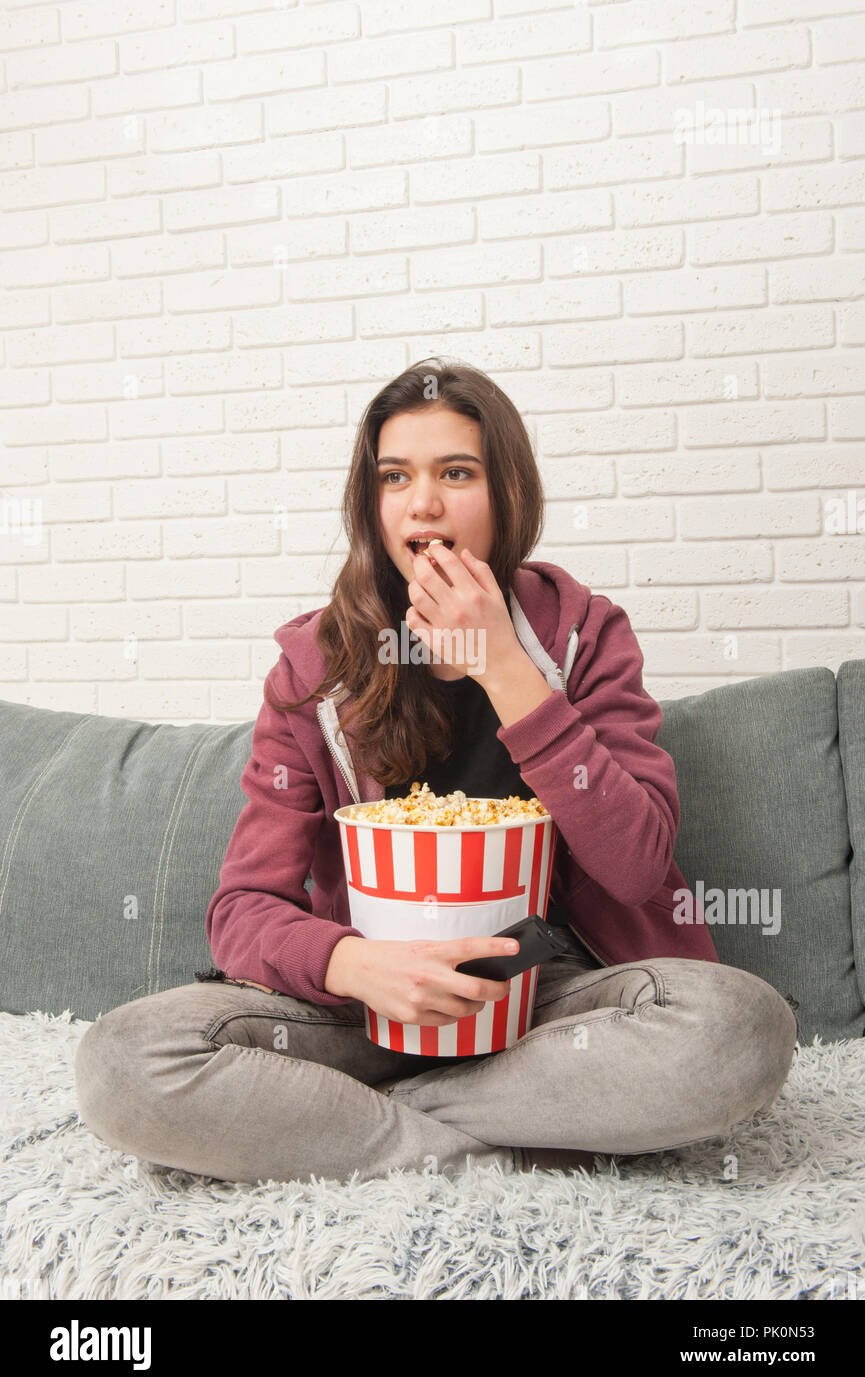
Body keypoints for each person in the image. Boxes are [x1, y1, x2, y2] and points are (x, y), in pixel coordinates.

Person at [74, 357, 798, 1185]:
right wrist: (355, 966)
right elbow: (242, 909)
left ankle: (357, 1133)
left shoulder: (584, 638)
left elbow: (636, 867)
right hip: (363, 1009)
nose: (422, 503)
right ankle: (489, 1142)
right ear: (371, 504)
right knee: (123, 1059)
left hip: (545, 1012)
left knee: (737, 1024)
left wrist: (507, 670)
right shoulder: (315, 667)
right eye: (395, 478)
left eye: (456, 473)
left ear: (507, 493)